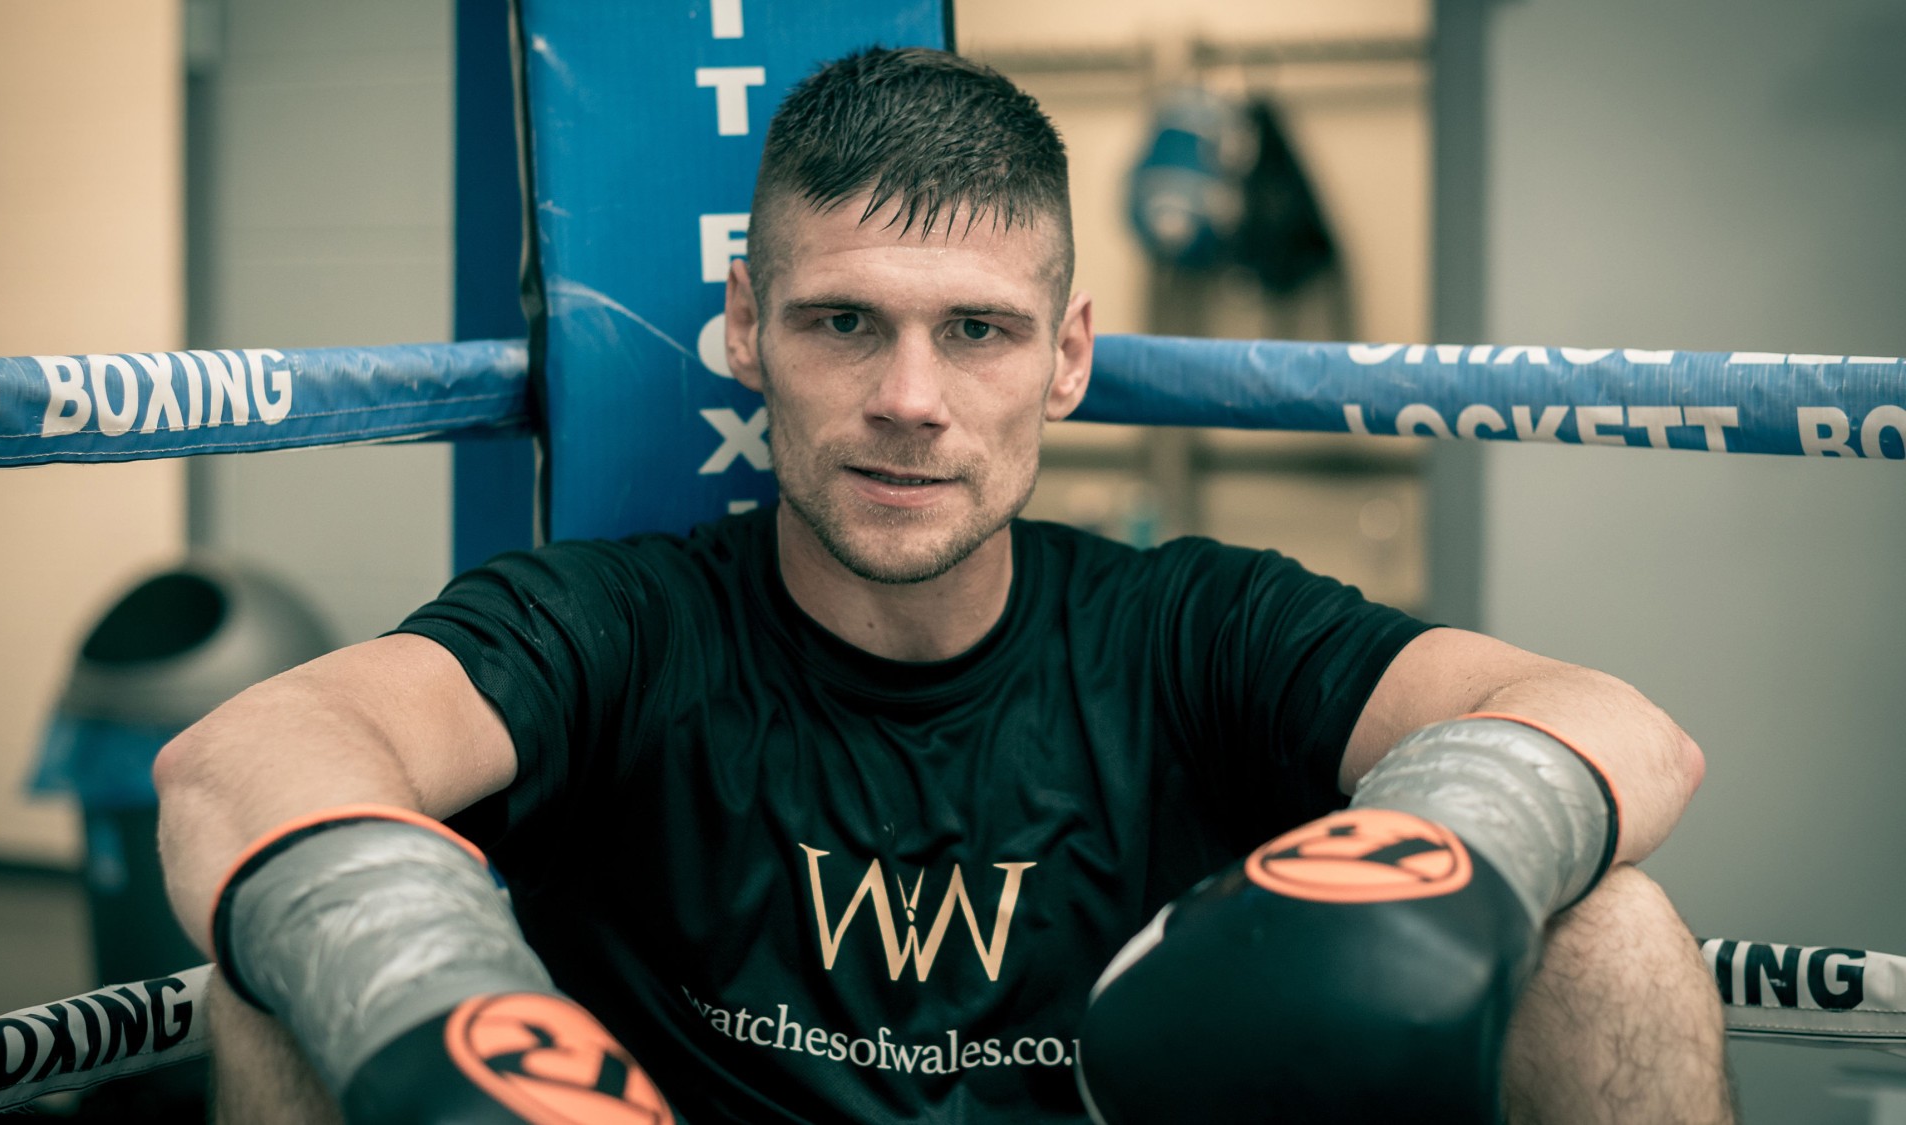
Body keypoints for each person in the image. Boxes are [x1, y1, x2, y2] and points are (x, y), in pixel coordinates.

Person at [154, 47, 1732, 1125]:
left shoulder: (1191, 629)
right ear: (744, 326)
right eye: (844, 323)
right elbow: (249, 754)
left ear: (1068, 356)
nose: (910, 397)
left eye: (975, 330)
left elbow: (1618, 726)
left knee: (1611, 931)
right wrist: (435, 998)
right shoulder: (622, 626)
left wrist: (1433, 867)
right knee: (284, 986)